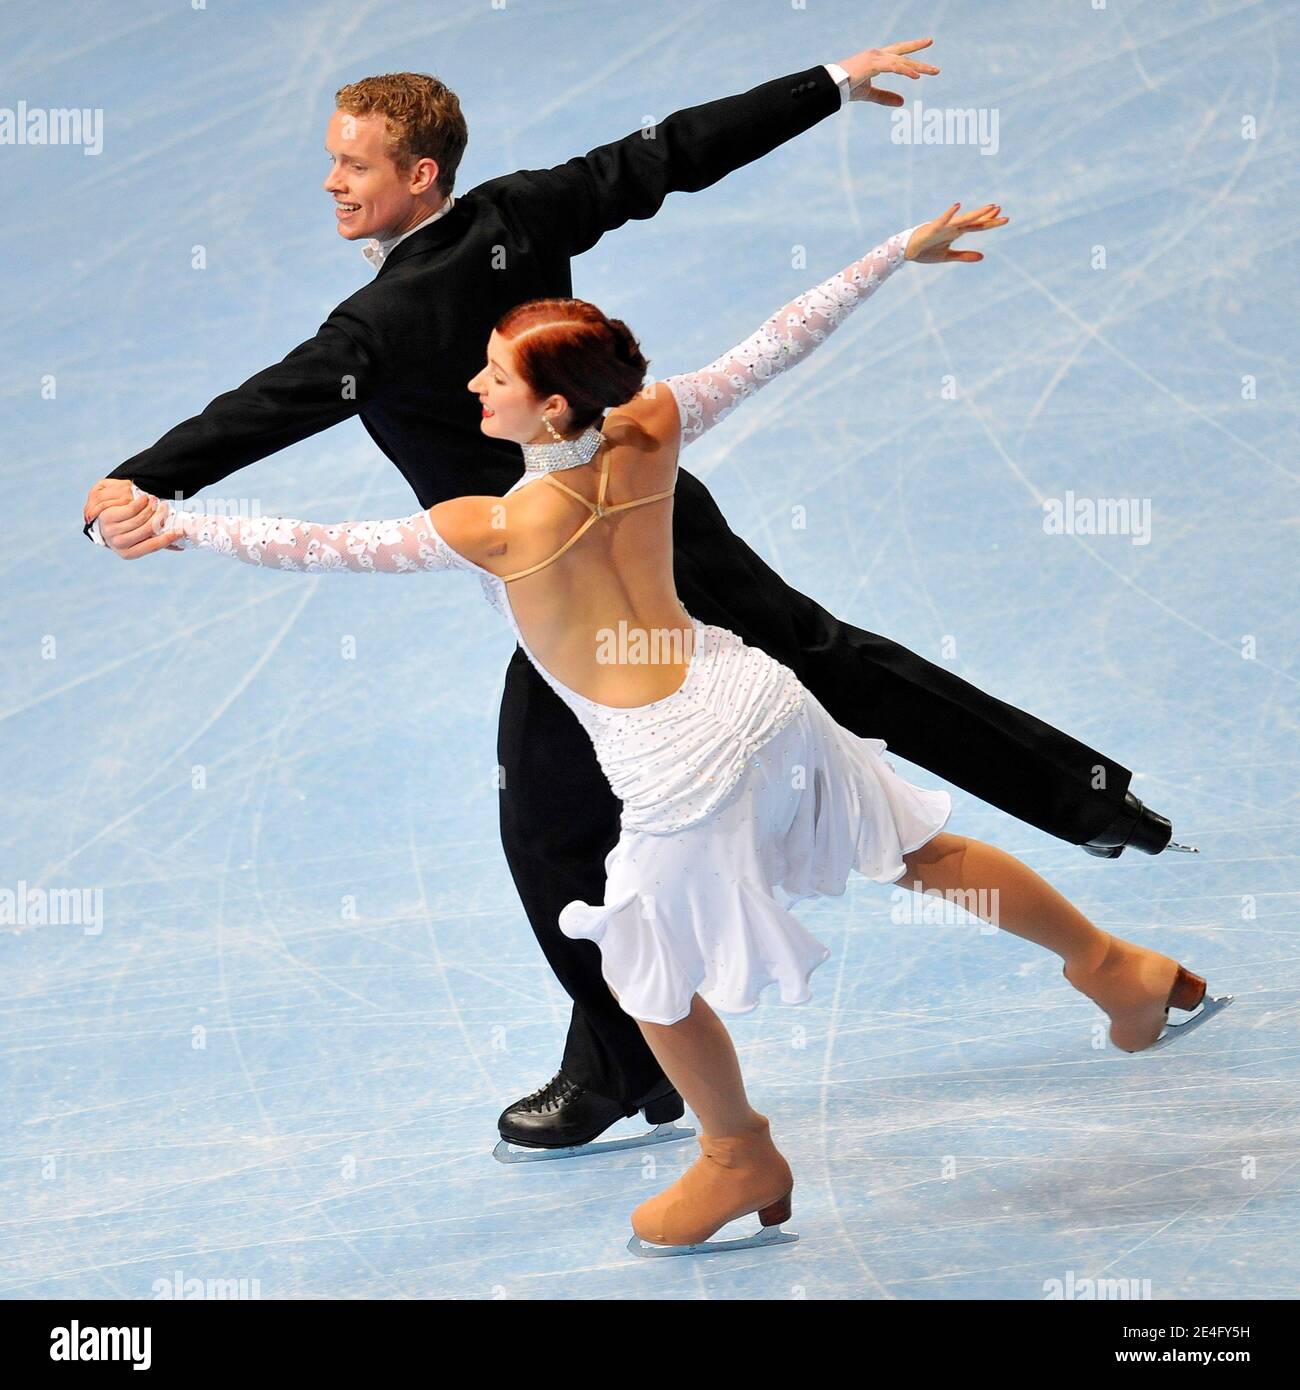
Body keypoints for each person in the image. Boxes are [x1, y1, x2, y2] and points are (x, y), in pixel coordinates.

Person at [83, 43, 1189, 1163]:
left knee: (555, 830)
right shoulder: (547, 251)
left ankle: (663, 1093)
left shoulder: (384, 344)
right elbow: (669, 163)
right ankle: (1093, 803)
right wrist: (829, 88)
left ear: (420, 178)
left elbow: (276, 440)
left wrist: (144, 491)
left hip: (567, 586)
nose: (330, 181)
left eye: (352, 163)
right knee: (840, 676)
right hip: (660, 523)